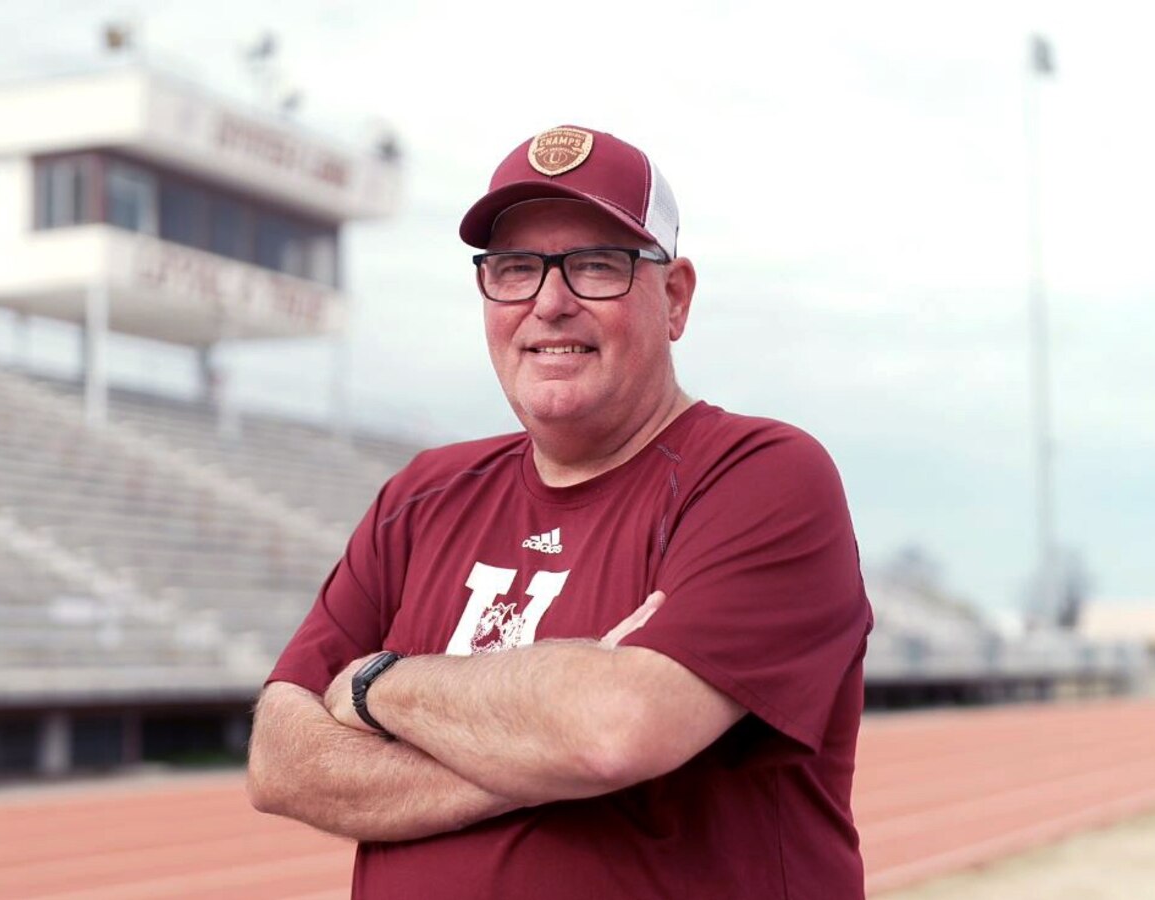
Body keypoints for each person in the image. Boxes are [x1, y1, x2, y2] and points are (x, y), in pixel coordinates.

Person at [247, 125, 873, 899]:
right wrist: (544, 740)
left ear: (674, 297)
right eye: (514, 270)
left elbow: (616, 732)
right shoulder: (420, 496)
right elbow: (280, 760)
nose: (550, 302)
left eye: (595, 267)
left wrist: (377, 686)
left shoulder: (760, 476)